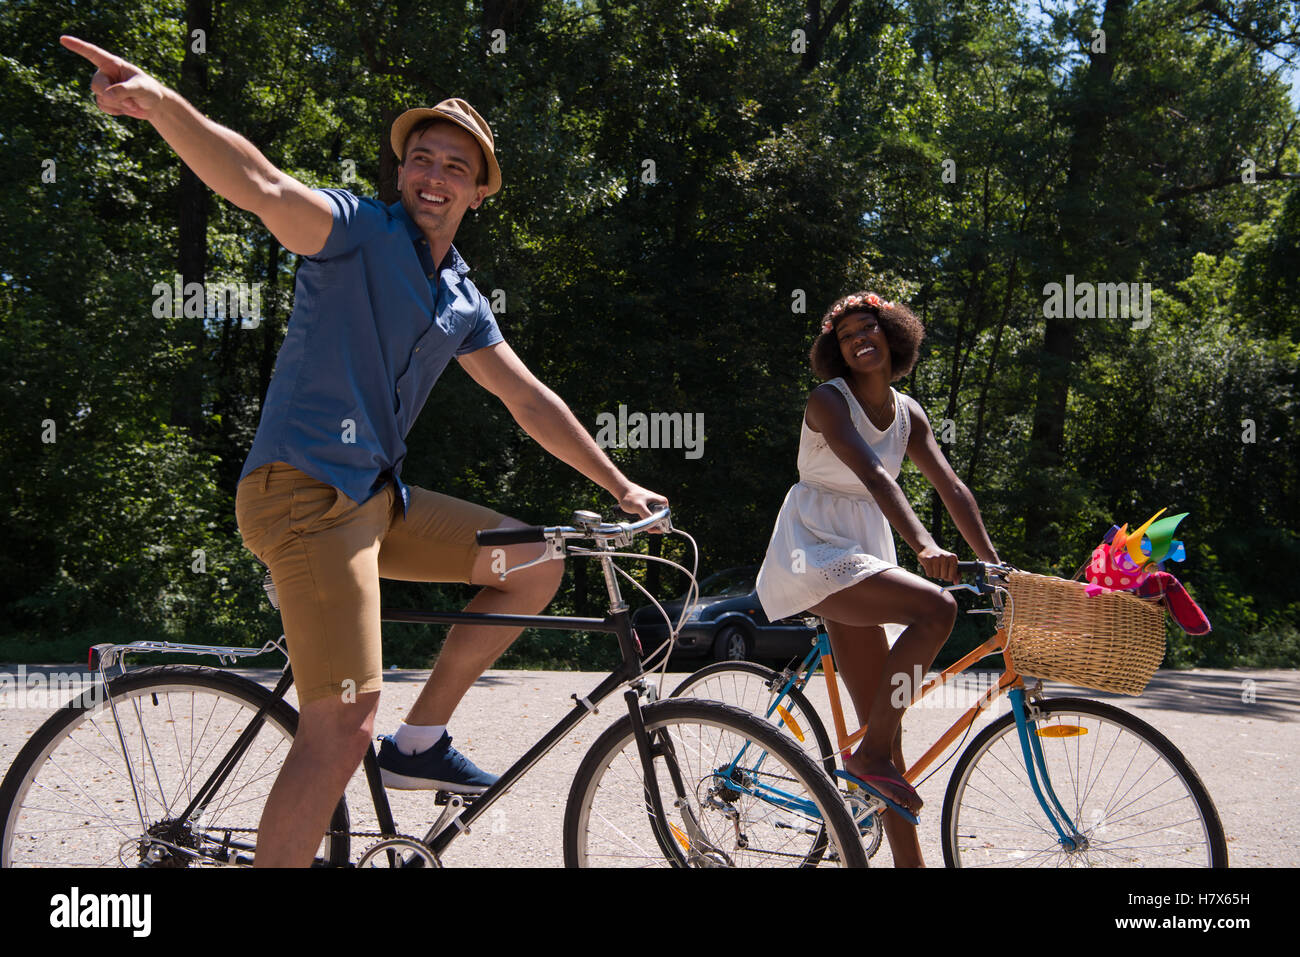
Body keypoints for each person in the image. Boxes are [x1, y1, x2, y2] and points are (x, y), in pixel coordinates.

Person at [61, 35, 667, 867]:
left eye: (456, 165)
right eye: (421, 157)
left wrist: (622, 484)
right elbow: (261, 185)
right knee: (344, 720)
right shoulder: (356, 230)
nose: (434, 174)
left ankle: (420, 743)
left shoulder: (460, 296)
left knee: (532, 561)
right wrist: (164, 103)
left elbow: (527, 398)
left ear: (478, 192)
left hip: (376, 503)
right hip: (304, 492)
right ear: (401, 172)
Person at [754, 290, 999, 867]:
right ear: (835, 352)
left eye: (869, 329)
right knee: (938, 609)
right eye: (846, 336)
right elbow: (870, 473)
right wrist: (926, 545)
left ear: (893, 337)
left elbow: (951, 486)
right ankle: (866, 759)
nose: (860, 340)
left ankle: (877, 776)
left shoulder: (909, 413)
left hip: (865, 542)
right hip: (814, 544)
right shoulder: (828, 400)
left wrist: (992, 561)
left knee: (884, 740)